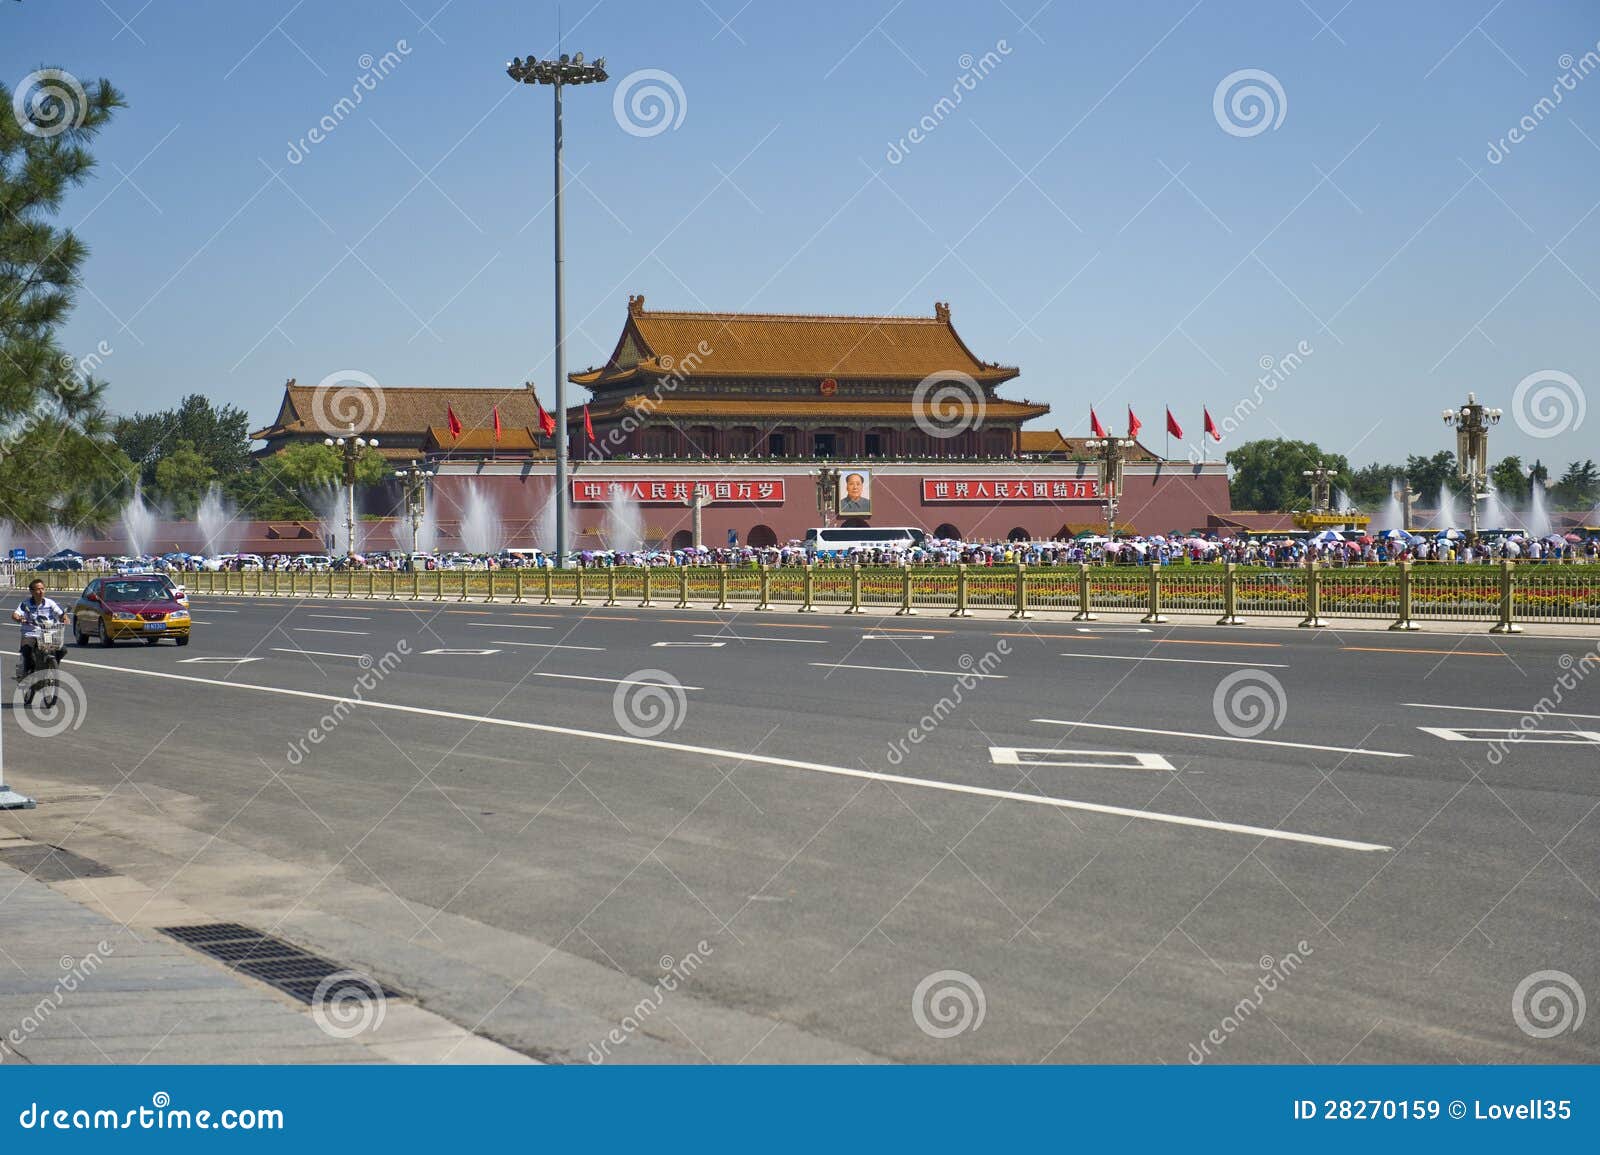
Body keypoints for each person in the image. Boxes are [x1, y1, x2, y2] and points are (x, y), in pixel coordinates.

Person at [12, 578, 66, 682]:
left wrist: (64, 617)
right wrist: (19, 618)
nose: (41, 591)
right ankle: (28, 672)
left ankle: (52, 664)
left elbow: (60, 614)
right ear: (32, 592)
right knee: (26, 651)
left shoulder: (50, 603)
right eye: (38, 589)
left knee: (62, 649)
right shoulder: (25, 604)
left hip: (47, 633)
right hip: (30, 633)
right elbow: (15, 614)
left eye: (43, 589)